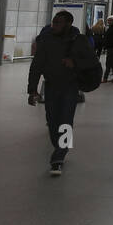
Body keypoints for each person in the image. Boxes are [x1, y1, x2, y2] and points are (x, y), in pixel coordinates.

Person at [28, 10, 97, 176]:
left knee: (66, 120)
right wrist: (32, 90)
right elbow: (36, 65)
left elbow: (92, 61)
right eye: (54, 22)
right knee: (52, 121)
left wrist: (74, 63)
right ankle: (59, 146)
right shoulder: (46, 40)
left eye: (58, 22)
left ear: (68, 24)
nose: (55, 25)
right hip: (51, 86)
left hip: (70, 87)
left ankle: (59, 156)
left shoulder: (78, 40)